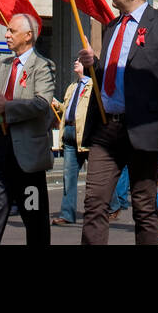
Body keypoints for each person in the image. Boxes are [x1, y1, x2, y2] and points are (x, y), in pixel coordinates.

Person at [79, 0, 158, 245]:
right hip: (106, 129)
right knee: (94, 204)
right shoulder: (111, 26)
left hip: (144, 128)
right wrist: (95, 67)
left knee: (144, 208)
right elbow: (112, 74)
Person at [0, 13, 55, 245]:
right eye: (7, 31)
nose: (6, 35)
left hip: (28, 161)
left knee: (34, 218)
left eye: (12, 31)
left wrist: (8, 107)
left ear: (28, 36)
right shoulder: (2, 65)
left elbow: (41, 104)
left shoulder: (43, 67)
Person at [52, 59, 91, 226]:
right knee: (69, 176)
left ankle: (113, 204)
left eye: (80, 61)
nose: (75, 62)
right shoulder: (72, 86)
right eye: (75, 59)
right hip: (68, 132)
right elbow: (68, 109)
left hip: (86, 135)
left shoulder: (92, 86)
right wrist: (58, 105)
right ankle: (67, 214)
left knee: (98, 175)